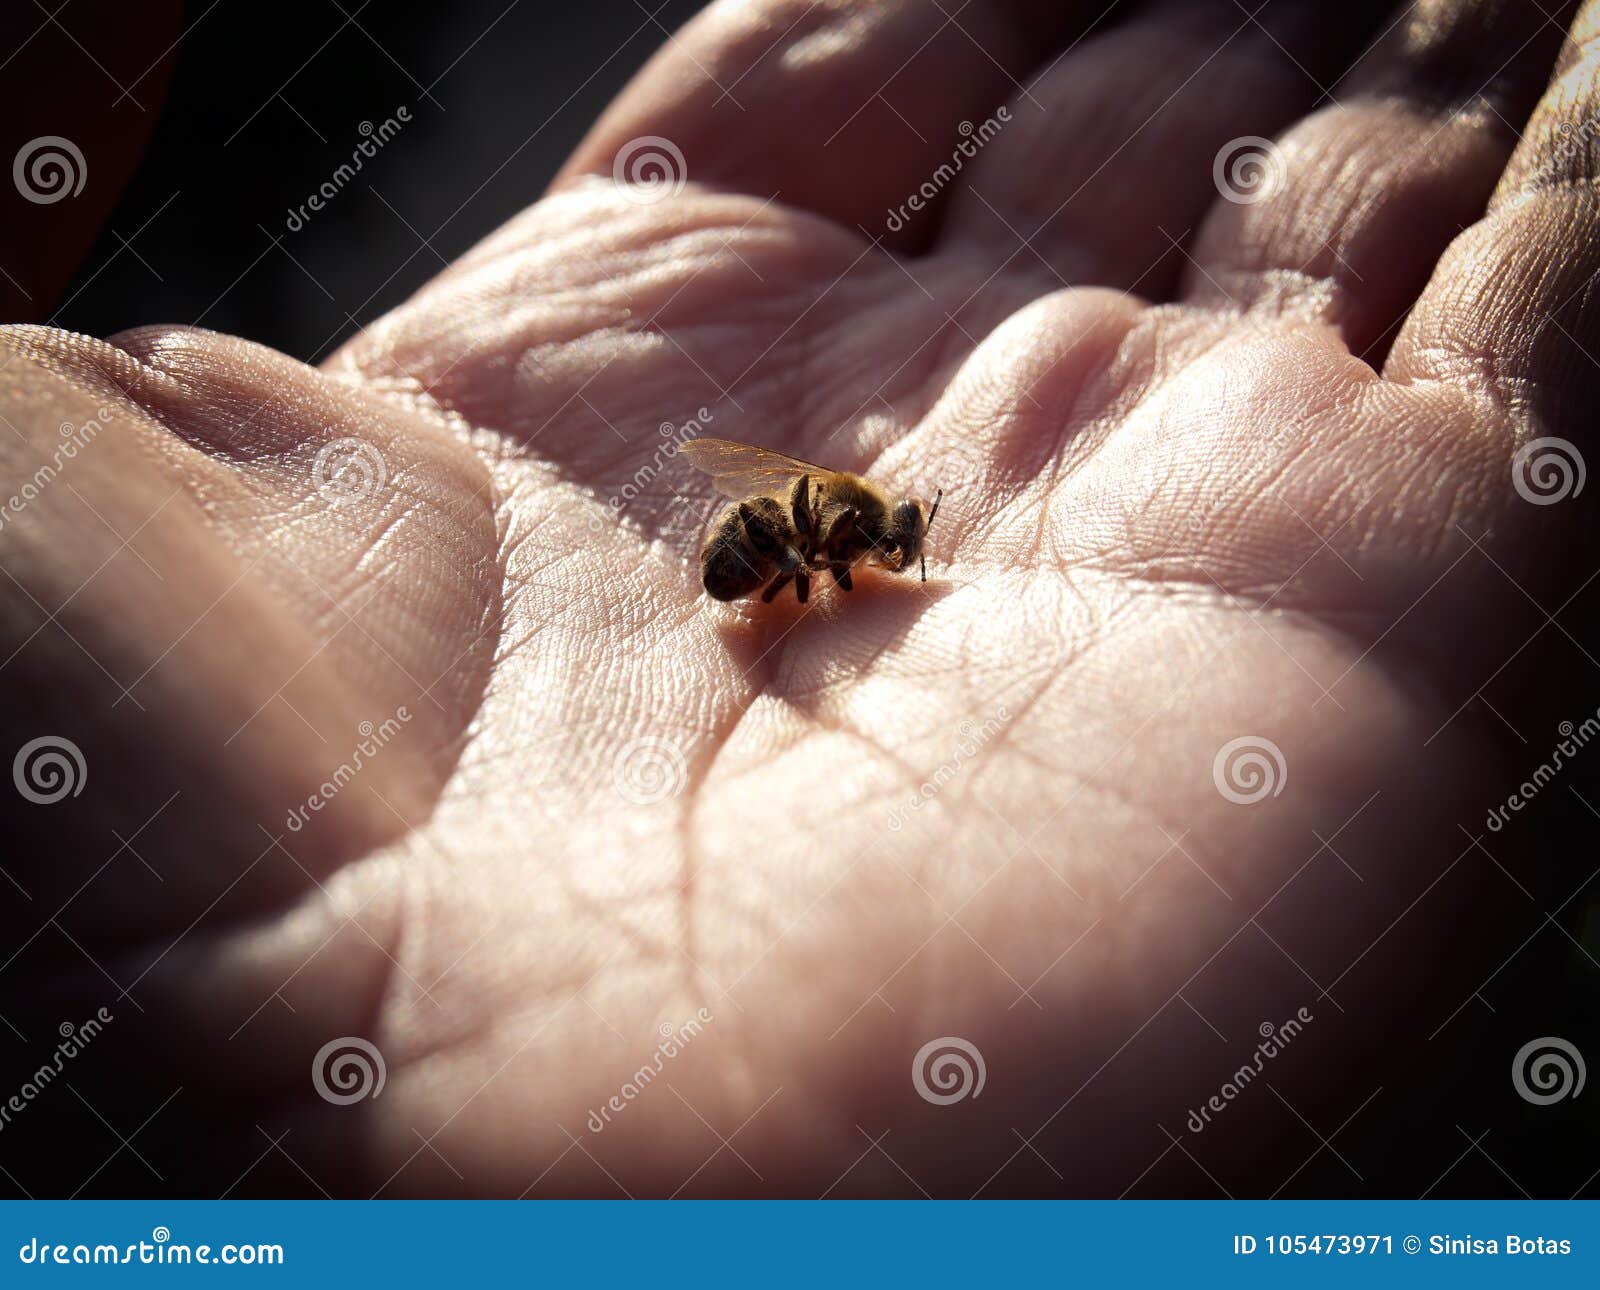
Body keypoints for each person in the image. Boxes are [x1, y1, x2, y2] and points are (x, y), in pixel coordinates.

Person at [1, 0, 1596, 1197]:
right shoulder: (827, 554)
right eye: (879, 549)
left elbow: (798, 530)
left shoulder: (841, 529)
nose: (886, 561)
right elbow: (801, 562)